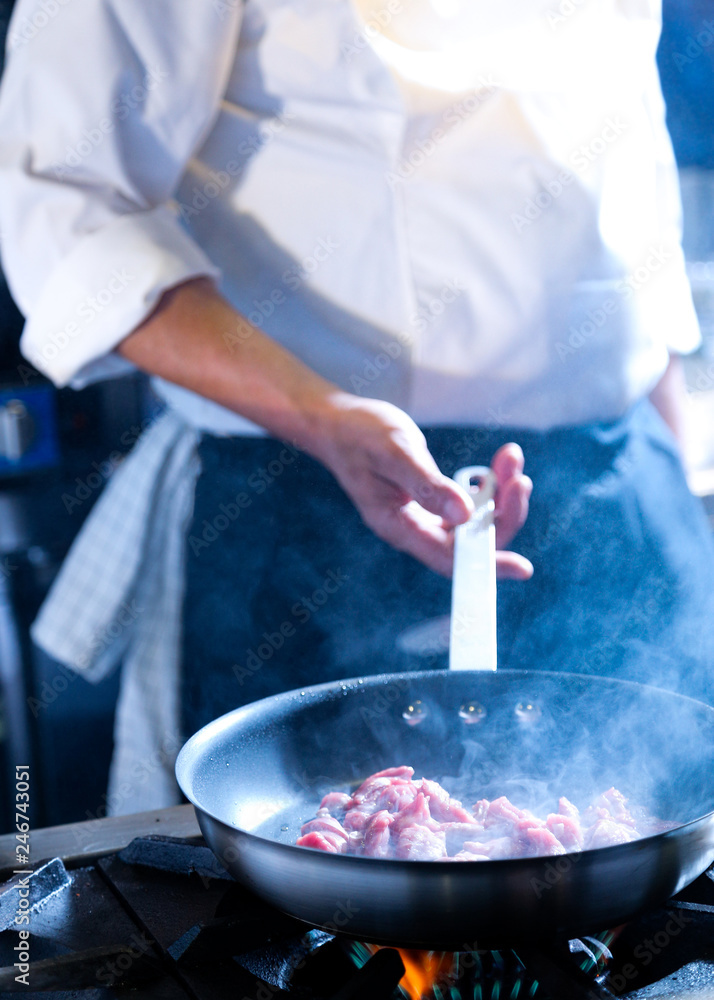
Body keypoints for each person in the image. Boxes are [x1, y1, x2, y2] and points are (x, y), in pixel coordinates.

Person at [0, 0, 712, 815]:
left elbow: (629, 178)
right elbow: (66, 205)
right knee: (318, 892)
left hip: (619, 492)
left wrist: (678, 494)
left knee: (658, 874)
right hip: (310, 490)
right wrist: (320, 414)